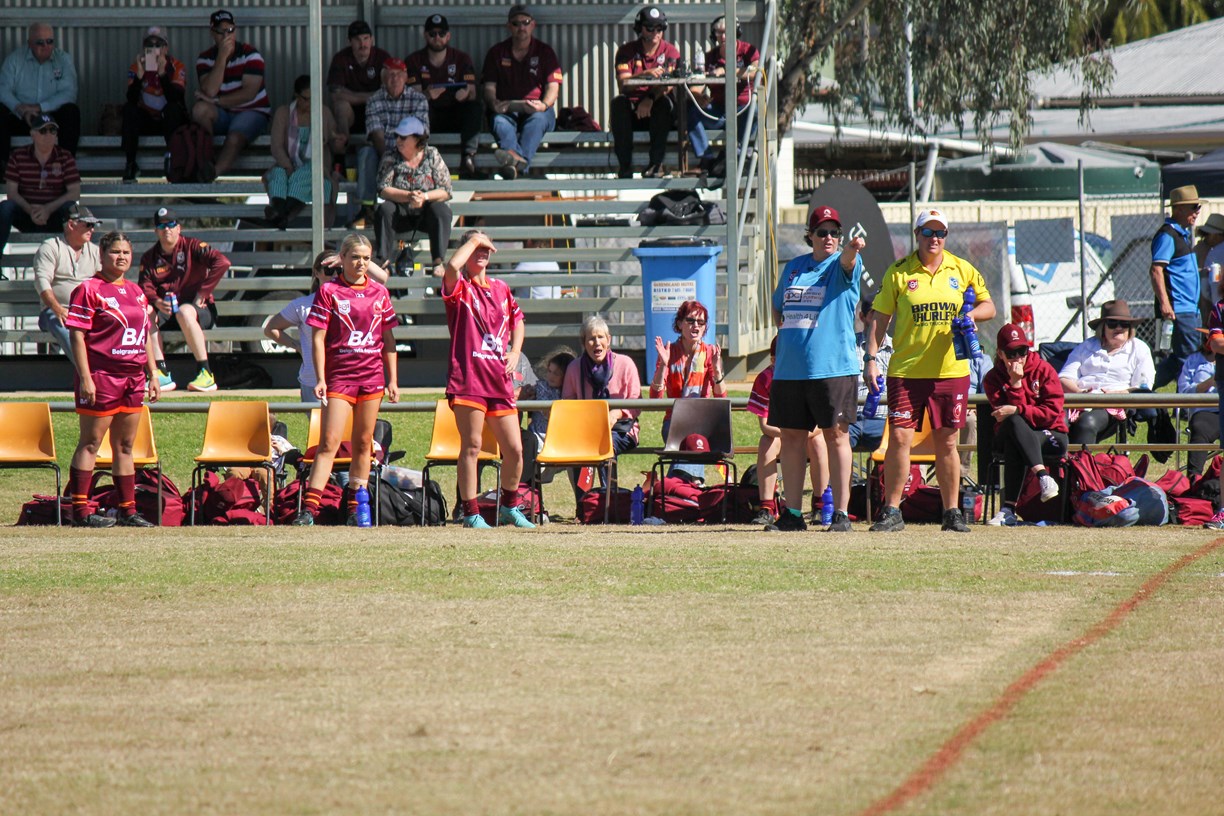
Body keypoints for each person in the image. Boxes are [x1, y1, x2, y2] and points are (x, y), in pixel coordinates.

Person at [865, 208, 995, 533]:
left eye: (940, 233)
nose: (934, 238)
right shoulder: (898, 272)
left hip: (950, 372)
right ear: (916, 235)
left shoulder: (961, 269)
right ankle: (892, 510)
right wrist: (870, 358)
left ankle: (951, 513)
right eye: (928, 232)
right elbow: (880, 317)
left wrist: (971, 317)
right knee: (899, 438)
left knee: (947, 442)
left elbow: (988, 305)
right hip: (906, 371)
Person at [767, 204, 865, 533]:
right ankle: (792, 513)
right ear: (809, 236)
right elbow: (777, 307)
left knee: (836, 437)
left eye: (835, 232)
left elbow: (850, 262)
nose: (829, 237)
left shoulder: (842, 265)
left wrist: (851, 249)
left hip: (833, 368)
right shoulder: (794, 267)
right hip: (790, 371)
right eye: (821, 232)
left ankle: (839, 512)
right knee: (792, 439)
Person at [291, 234, 399, 526]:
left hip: (371, 377)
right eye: (355, 257)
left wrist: (393, 380)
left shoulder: (379, 293)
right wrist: (321, 377)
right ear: (342, 258)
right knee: (329, 442)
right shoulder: (329, 291)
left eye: (366, 258)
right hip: (340, 378)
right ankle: (309, 510)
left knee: (364, 443)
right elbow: (318, 338)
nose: (361, 263)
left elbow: (388, 340)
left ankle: (355, 506)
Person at [63, 231, 160, 528]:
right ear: (102, 255)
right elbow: (77, 335)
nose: (121, 257)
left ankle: (127, 511)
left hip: (132, 376)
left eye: (126, 253)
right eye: (115, 252)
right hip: (102, 375)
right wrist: (86, 377)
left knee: (126, 446)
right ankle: (80, 511)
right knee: (91, 442)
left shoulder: (136, 291)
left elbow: (145, 335)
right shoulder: (89, 289)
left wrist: (153, 373)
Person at [442, 230, 536, 529]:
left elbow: (518, 320)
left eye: (486, 249)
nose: (482, 253)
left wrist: (515, 351)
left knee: (515, 449)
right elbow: (451, 268)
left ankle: (509, 507)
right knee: (472, 446)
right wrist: (475, 239)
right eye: (476, 249)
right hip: (469, 379)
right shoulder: (460, 287)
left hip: (498, 381)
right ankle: (470, 513)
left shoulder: (501, 288)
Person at [263, 249, 390, 403]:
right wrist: (297, 346)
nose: (335, 275)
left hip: (349, 377)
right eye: (329, 270)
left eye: (339, 269)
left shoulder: (356, 298)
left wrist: (346, 256)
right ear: (316, 273)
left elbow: (382, 279)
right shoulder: (302, 305)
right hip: (314, 379)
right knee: (320, 427)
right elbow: (271, 329)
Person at [982, 323, 1068, 526]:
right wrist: (1015, 384)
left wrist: (1019, 409)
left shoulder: (1044, 370)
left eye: (1022, 351)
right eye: (1011, 353)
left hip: (1051, 434)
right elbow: (1005, 417)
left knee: (1016, 433)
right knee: (1013, 423)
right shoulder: (993, 379)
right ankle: (1043, 476)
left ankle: (1008, 510)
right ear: (1000, 354)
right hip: (1012, 434)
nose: (1018, 358)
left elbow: (1051, 414)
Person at [139, 207, 231, 393]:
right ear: (156, 230)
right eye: (162, 226)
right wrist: (156, 302)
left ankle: (206, 373)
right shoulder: (149, 257)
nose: (167, 229)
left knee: (185, 311)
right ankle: (160, 373)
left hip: (198, 311)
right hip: (167, 312)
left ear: (178, 228)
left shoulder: (193, 246)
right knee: (146, 313)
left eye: (171, 224)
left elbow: (222, 262)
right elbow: (144, 286)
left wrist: (203, 293)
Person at [745, 335, 831, 527]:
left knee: (818, 442)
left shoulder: (811, 374)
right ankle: (767, 507)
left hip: (808, 434)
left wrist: (798, 435)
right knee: (766, 442)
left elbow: (819, 427)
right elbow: (765, 425)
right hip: (781, 434)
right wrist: (791, 435)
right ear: (774, 360)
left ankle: (819, 504)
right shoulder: (767, 378)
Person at [649, 300, 727, 483]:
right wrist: (664, 365)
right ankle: (692, 485)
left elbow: (721, 396)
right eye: (691, 320)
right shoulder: (669, 352)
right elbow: (655, 397)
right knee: (691, 442)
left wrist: (716, 370)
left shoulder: (709, 353)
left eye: (701, 323)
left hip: (704, 424)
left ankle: (674, 485)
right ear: (679, 324)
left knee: (693, 440)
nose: (696, 326)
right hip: (674, 423)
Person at [481, 4, 563, 179]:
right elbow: (488, 88)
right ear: (509, 26)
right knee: (499, 122)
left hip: (537, 110)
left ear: (533, 24)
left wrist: (544, 104)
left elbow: (553, 87)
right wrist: (493, 103)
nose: (521, 27)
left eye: (525, 22)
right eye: (516, 23)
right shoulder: (496, 52)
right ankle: (520, 165)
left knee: (538, 121)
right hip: (506, 110)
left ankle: (515, 165)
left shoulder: (545, 52)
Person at [1059, 300, 1155, 445]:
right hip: (1079, 400)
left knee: (1087, 422)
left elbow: (1143, 387)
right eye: (1112, 323)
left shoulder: (1139, 349)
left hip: (1114, 403)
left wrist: (1119, 394)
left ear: (1130, 328)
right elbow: (1063, 378)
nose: (1118, 328)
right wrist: (1080, 394)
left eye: (1123, 324)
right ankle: (1054, 466)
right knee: (1057, 423)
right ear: (1103, 327)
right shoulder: (1086, 347)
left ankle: (1081, 467)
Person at [192, 9, 272, 181]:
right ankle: (205, 159)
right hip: (223, 114)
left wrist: (216, 101)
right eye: (221, 32)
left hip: (252, 111)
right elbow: (210, 90)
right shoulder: (205, 58)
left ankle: (212, 173)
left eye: (230, 30)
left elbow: (249, 93)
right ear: (212, 33)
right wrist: (221, 57)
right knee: (200, 109)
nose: (227, 36)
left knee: (235, 137)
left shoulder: (251, 54)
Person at [406, 13, 484, 180]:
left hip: (455, 111)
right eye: (433, 34)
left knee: (475, 107)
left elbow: (473, 92)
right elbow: (412, 96)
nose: (437, 38)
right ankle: (420, 163)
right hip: (431, 114)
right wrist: (427, 94)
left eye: (441, 34)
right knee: (419, 110)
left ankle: (468, 159)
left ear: (448, 36)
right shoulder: (414, 60)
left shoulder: (462, 59)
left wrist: (465, 94)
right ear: (425, 35)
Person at [353, 58, 430, 228]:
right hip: (384, 153)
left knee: (427, 155)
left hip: (411, 154)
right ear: (382, 77)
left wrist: (402, 158)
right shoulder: (374, 100)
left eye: (398, 75)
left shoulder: (419, 100)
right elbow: (376, 135)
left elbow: (420, 135)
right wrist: (391, 160)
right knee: (367, 153)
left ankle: (419, 207)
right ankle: (367, 208)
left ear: (405, 77)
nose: (394, 79)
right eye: (390, 75)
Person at [374, 115, 453, 274]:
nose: (398, 140)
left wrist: (424, 197)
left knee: (441, 210)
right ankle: (384, 261)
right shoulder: (391, 156)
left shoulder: (432, 154)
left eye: (403, 137)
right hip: (401, 214)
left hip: (426, 214)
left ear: (417, 139)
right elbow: (383, 188)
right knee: (384, 209)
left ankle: (438, 262)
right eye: (397, 136)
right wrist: (409, 196)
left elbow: (446, 190)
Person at [0, 22, 80, 177]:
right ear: (29, 44)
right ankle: (2, 166)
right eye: (40, 42)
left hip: (51, 117)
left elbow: (69, 93)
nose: (46, 46)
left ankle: (66, 166)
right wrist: (21, 109)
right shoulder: (15, 60)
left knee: (71, 111)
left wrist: (39, 108)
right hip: (23, 118)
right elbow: (2, 89)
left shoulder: (63, 60)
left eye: (50, 41)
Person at [610, 6, 679, 179]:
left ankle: (656, 165)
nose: (655, 32)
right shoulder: (627, 51)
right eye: (650, 28)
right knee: (618, 103)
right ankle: (625, 166)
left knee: (664, 104)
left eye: (660, 28)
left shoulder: (670, 52)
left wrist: (649, 98)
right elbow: (623, 84)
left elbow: (668, 85)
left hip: (658, 111)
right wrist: (645, 75)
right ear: (640, 28)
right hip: (634, 112)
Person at [264, 75, 341, 228]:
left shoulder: (324, 113)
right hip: (289, 163)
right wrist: (287, 165)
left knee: (307, 172)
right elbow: (276, 146)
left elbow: (335, 144)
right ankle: (280, 212)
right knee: (277, 175)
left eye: (314, 98)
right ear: (297, 96)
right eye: (306, 99)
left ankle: (279, 214)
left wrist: (339, 140)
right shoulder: (283, 113)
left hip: (316, 166)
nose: (311, 103)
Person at [0, 114, 79, 262]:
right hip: (25, 215)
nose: (49, 135)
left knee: (72, 208)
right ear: (33, 134)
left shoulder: (65, 157)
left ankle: (74, 263)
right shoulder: (18, 156)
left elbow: (74, 193)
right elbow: (11, 193)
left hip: (54, 216)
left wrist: (48, 209)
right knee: (5, 207)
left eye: (52, 131)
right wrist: (31, 210)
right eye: (43, 131)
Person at [32, 202, 101, 369]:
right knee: (67, 325)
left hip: (87, 310)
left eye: (93, 225)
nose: (92, 229)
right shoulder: (51, 247)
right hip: (55, 311)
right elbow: (42, 282)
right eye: (88, 225)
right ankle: (90, 374)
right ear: (71, 225)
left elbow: (104, 283)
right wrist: (58, 309)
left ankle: (120, 373)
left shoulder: (95, 251)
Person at [689, 14, 760, 174]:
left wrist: (727, 71)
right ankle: (705, 158)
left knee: (755, 110)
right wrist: (698, 96)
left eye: (727, 31)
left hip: (742, 109)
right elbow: (697, 85)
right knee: (694, 113)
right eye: (719, 32)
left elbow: (756, 71)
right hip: (719, 110)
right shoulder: (709, 57)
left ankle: (738, 149)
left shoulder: (748, 51)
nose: (723, 36)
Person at [121, 26, 188, 183]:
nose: (153, 49)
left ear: (166, 48)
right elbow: (131, 98)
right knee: (129, 109)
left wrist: (163, 73)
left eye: (157, 45)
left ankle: (173, 161)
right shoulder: (137, 66)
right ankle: (131, 164)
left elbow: (176, 98)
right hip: (148, 119)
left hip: (169, 122)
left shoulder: (177, 66)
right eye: (149, 45)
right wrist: (139, 77)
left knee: (173, 110)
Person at [1151, 185, 1202, 388]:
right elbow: (1156, 270)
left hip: (1189, 308)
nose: (1197, 212)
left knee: (1178, 359)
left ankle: (1140, 390)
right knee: (1187, 359)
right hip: (1179, 308)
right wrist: (1165, 304)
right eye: (1193, 207)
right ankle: (1187, 407)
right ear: (1179, 209)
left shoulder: (1181, 235)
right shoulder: (1167, 235)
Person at [327, 20, 392, 146]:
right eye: (357, 39)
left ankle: (388, 155)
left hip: (377, 111)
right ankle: (343, 146)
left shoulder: (382, 57)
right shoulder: (341, 58)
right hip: (352, 114)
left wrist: (351, 95)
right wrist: (371, 96)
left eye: (366, 38)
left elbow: (388, 92)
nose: (363, 44)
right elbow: (336, 95)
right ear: (349, 41)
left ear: (372, 40)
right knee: (341, 106)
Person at [1177, 335, 1218, 478]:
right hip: (1206, 412)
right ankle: (1194, 480)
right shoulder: (1194, 360)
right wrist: (1210, 382)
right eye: (1210, 335)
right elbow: (1183, 392)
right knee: (1200, 426)